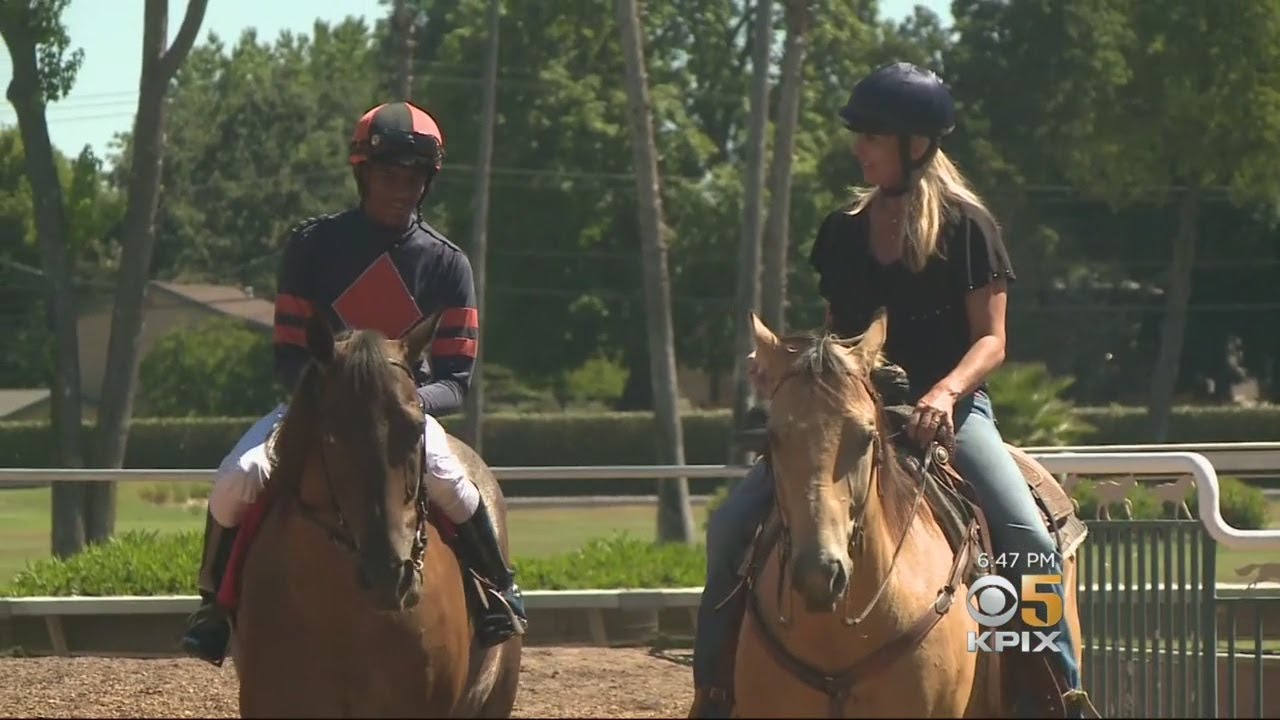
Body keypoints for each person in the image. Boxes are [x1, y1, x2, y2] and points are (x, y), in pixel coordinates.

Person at [688, 62, 1083, 718]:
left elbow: (992, 340)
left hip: (951, 413)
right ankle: (714, 693)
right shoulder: (842, 232)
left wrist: (945, 393)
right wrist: (787, 372)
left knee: (1028, 539)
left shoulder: (968, 228)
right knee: (730, 527)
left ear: (915, 144)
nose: (858, 148)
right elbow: (839, 340)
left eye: (871, 136)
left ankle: (1050, 693)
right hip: (853, 411)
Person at [179, 100, 528, 667]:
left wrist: (401, 404)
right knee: (236, 478)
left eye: (414, 178)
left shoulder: (447, 265)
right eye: (390, 176)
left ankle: (498, 592)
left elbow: (457, 380)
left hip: (405, 418)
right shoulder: (314, 247)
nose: (402, 189)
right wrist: (329, 402)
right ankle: (213, 610)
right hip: (318, 409)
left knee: (456, 485)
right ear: (363, 174)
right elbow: (291, 357)